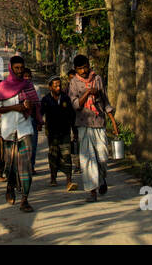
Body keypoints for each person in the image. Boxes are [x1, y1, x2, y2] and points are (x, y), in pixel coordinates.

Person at [68, 55, 118, 201]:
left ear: (89, 65)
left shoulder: (97, 79)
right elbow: (76, 105)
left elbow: (105, 101)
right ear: (76, 69)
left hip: (99, 122)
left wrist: (113, 122)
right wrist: (88, 92)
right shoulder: (73, 83)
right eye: (80, 68)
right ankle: (92, 191)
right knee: (88, 159)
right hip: (83, 124)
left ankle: (102, 179)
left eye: (85, 67)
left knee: (102, 156)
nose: (83, 70)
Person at [0, 55, 38, 211]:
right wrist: (14, 108)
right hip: (8, 131)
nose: (19, 71)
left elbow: (35, 104)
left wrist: (29, 105)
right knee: (11, 165)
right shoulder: (2, 87)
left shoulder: (28, 86)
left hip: (25, 129)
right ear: (11, 69)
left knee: (26, 165)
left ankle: (25, 199)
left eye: (21, 68)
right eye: (16, 68)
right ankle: (10, 186)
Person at [40, 76, 75, 188]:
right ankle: (53, 177)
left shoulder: (66, 98)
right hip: (52, 132)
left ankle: (69, 179)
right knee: (53, 154)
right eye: (55, 86)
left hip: (65, 131)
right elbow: (40, 113)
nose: (58, 88)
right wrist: (38, 124)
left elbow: (71, 115)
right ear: (50, 87)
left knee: (67, 154)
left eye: (59, 85)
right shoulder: (46, 99)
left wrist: (74, 129)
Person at [21, 64, 43, 176]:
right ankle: (22, 167)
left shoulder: (36, 88)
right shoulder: (17, 89)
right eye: (25, 76)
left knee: (33, 145)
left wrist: (40, 121)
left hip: (33, 119)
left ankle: (31, 166)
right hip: (20, 120)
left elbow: (38, 105)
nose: (28, 78)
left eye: (29, 76)